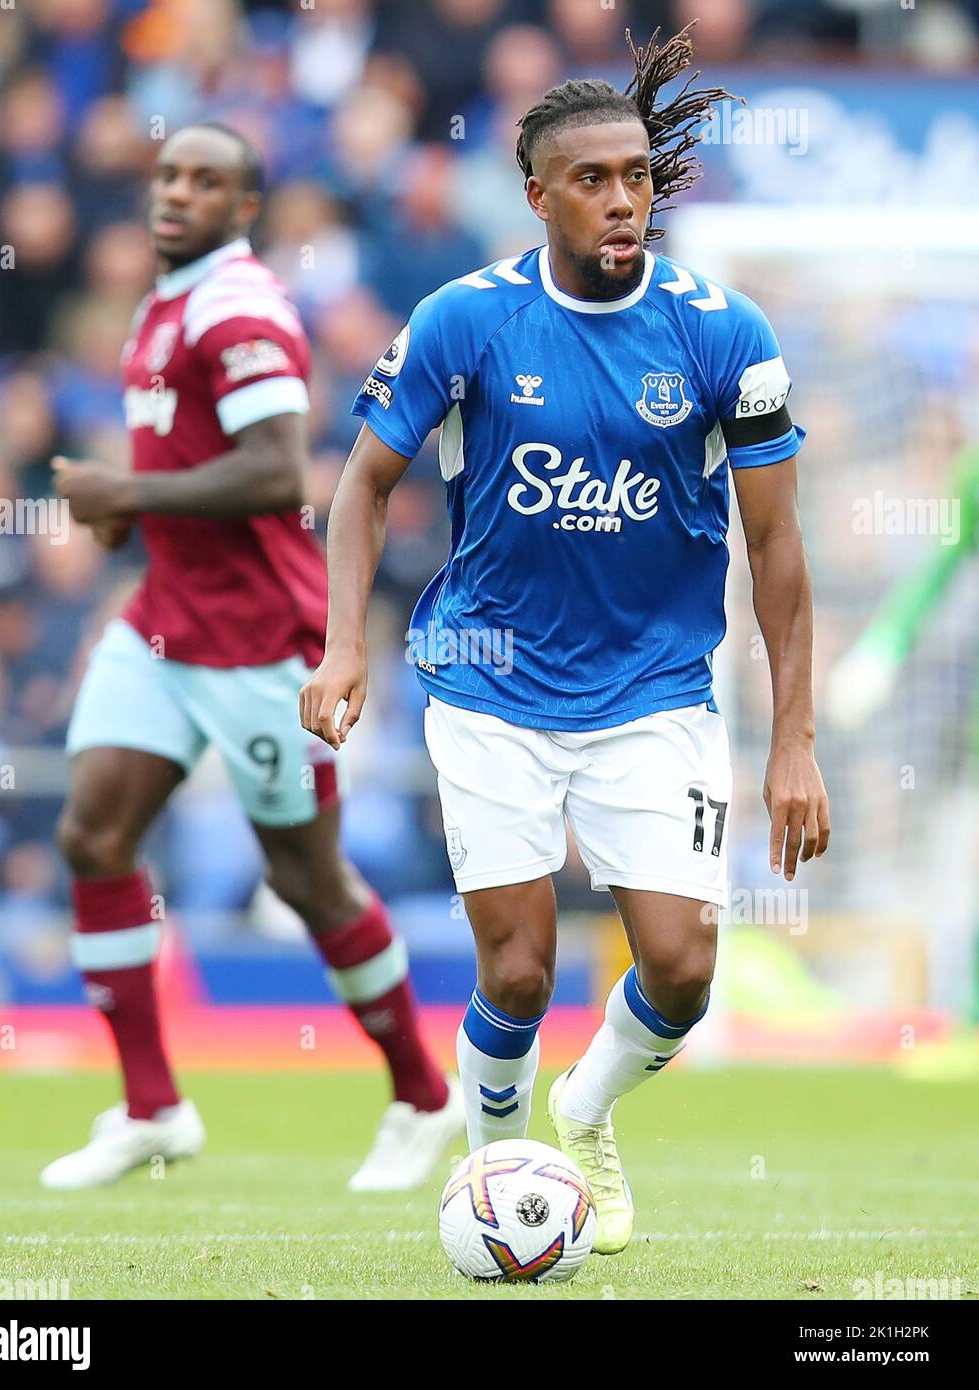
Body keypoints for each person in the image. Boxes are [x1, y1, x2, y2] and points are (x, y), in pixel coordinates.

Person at [300, 27, 831, 1255]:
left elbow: (779, 550)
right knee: (521, 972)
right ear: (535, 194)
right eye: (589, 180)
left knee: (683, 966)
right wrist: (342, 647)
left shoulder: (722, 333)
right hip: (487, 679)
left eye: (635, 177)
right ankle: (495, 1177)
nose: (620, 200)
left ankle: (582, 1114)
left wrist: (790, 738)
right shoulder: (463, 319)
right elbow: (362, 486)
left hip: (653, 688)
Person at [46, 121, 462, 1192]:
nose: (177, 193)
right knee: (93, 831)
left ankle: (422, 1093)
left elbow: (280, 472)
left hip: (263, 643)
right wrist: (130, 516)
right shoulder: (165, 300)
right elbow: (194, 461)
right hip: (164, 623)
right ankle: (152, 1109)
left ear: (244, 207)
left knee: (308, 878)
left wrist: (122, 494)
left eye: (207, 181)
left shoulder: (239, 309)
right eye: (168, 174)